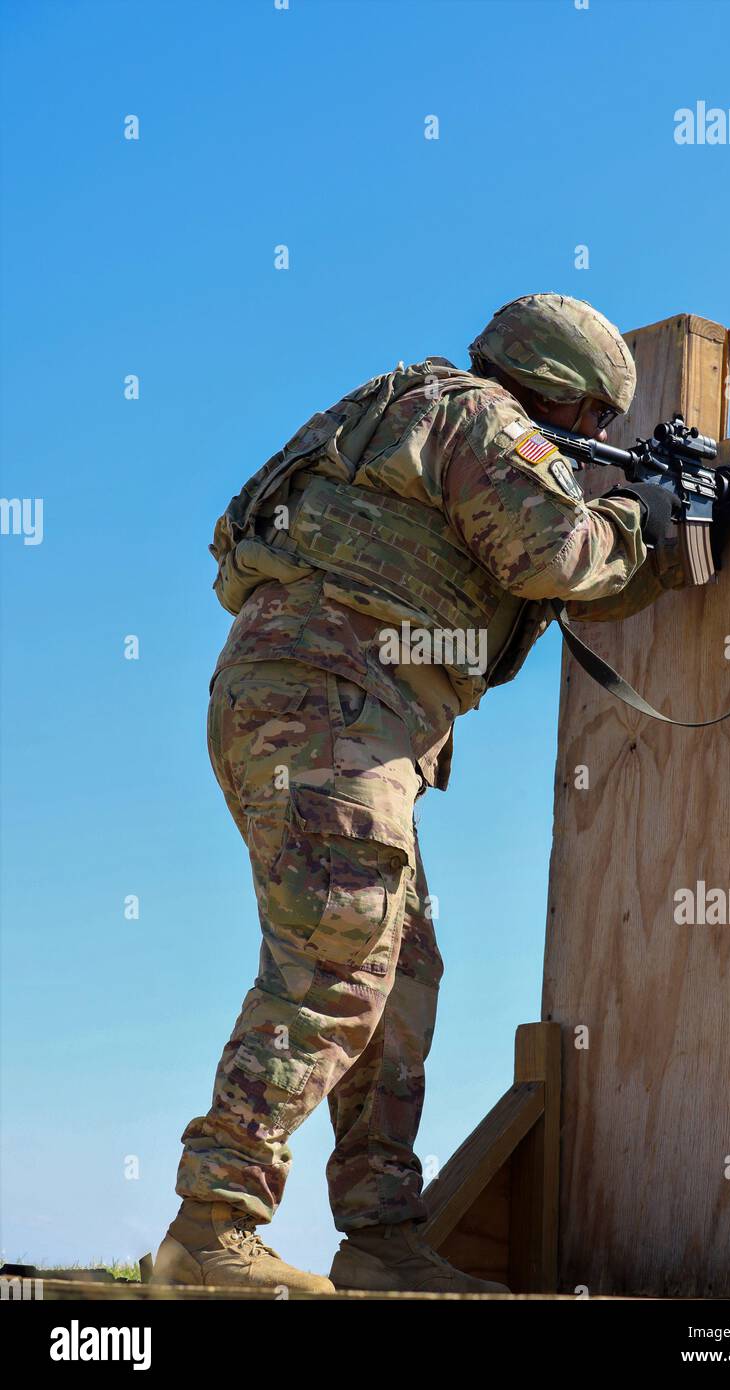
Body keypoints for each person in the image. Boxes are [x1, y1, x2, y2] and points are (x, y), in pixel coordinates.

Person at [152, 293, 685, 1294]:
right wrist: (635, 523)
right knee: (339, 952)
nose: (591, 445)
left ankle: (380, 1236)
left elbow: (531, 576)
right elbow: (551, 556)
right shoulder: (478, 416)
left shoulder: (421, 410)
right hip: (330, 701)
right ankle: (209, 1224)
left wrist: (644, 544)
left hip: (326, 703)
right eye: (589, 425)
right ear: (558, 394)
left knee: (399, 975)